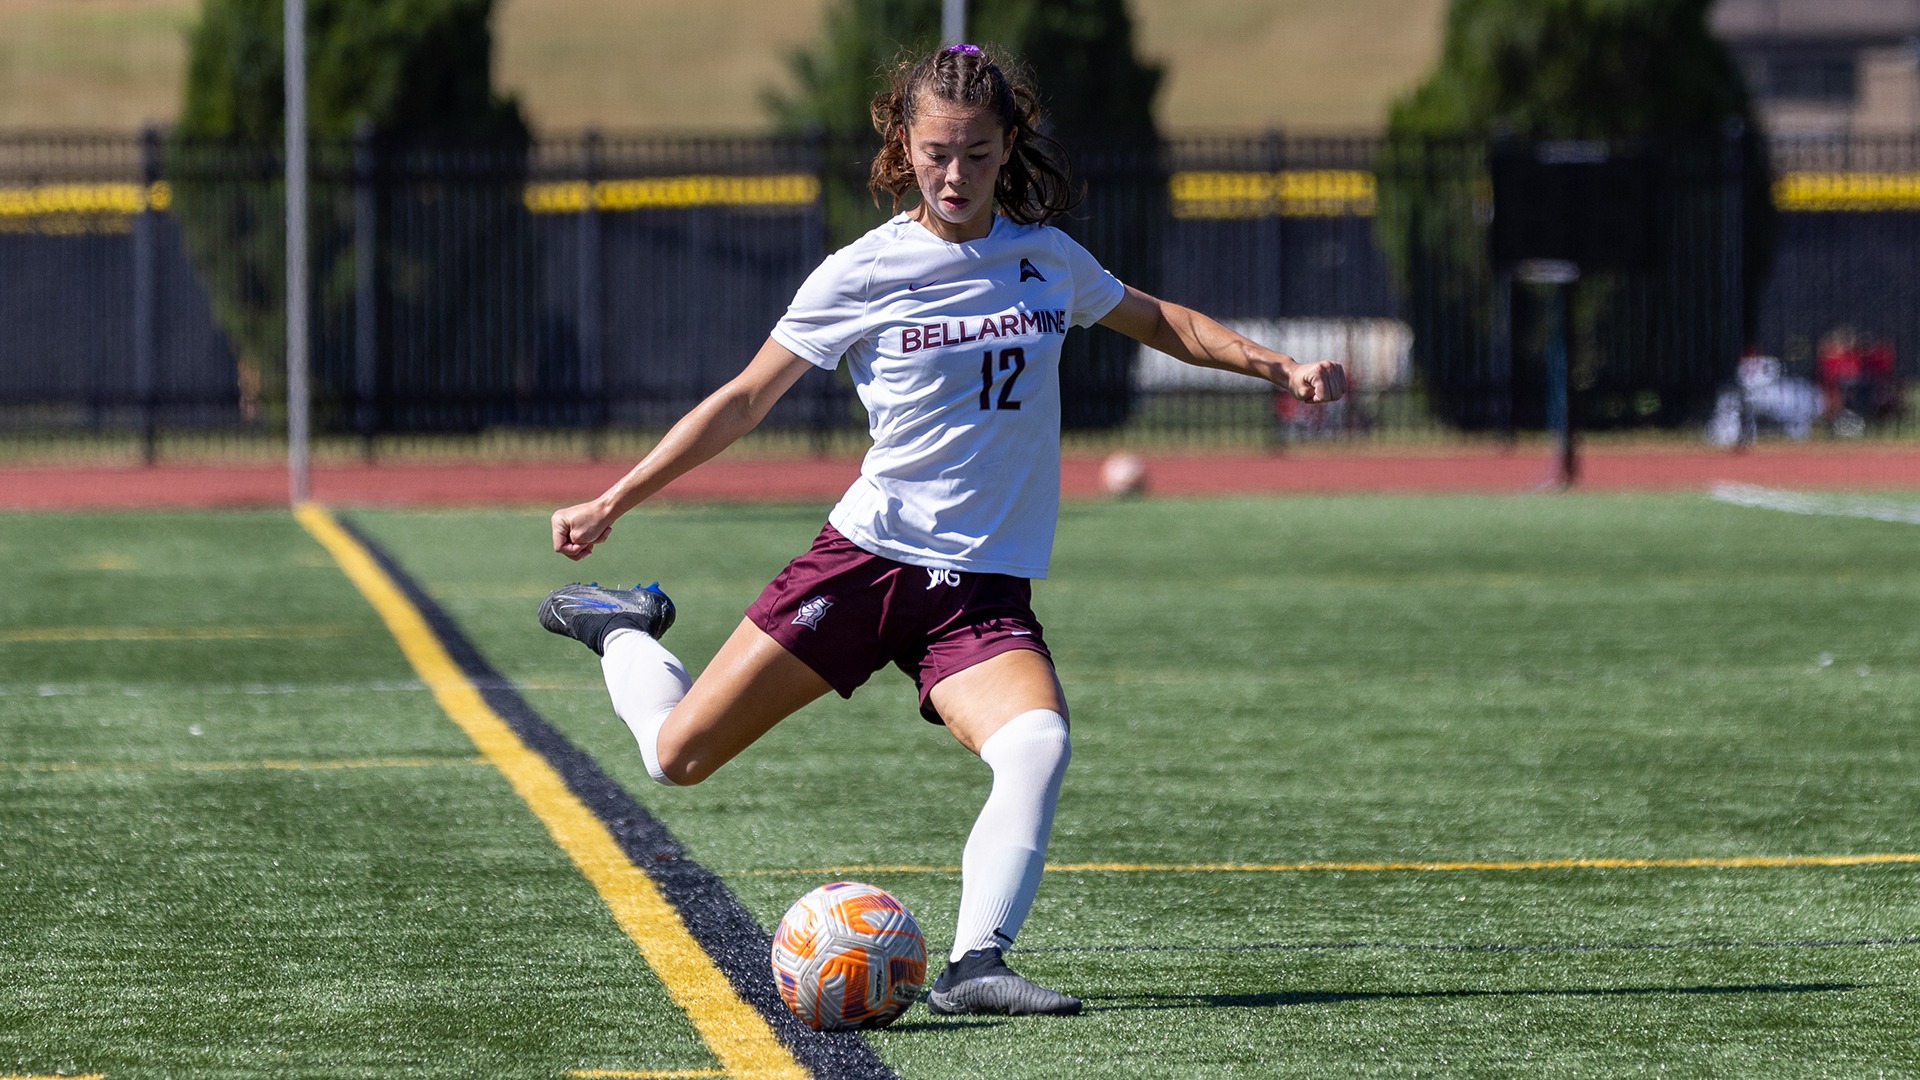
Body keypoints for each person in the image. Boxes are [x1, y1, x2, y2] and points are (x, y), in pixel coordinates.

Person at [538, 43, 1347, 1017]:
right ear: (902, 148)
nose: (953, 175)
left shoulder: (1047, 261)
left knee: (1038, 743)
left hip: (980, 594)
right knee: (677, 757)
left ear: (1009, 147)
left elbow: (1163, 321)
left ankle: (975, 966)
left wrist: (1277, 367)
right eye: (934, 154)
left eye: (973, 153)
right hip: (868, 563)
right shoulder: (863, 272)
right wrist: (613, 501)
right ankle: (621, 626)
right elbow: (744, 400)